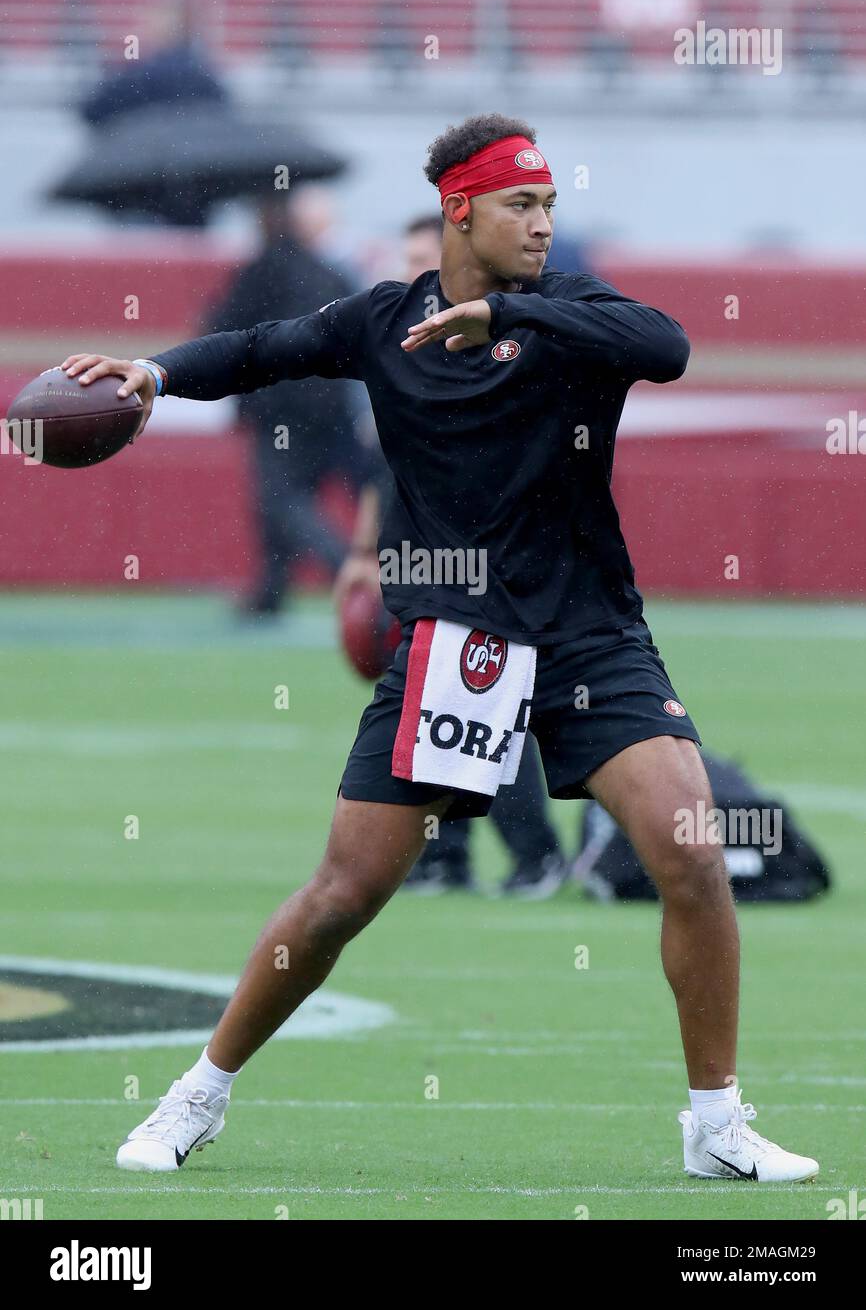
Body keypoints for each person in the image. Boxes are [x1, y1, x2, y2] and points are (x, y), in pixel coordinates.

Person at [63, 112, 817, 1183]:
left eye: (550, 203)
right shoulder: (381, 320)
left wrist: (512, 313)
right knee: (339, 898)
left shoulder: (566, 310)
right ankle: (199, 1094)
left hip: (587, 634)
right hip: (453, 643)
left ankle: (713, 1124)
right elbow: (262, 352)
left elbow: (666, 346)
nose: (544, 223)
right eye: (522, 204)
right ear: (459, 209)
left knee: (691, 854)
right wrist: (153, 372)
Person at [335, 212, 567, 898]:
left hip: (502, 558)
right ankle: (446, 856)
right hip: (428, 559)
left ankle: (538, 854)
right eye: (405, 260)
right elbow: (390, 470)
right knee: (441, 703)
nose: (413, 274)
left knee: (479, 701)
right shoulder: (400, 346)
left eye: (423, 260)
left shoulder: (505, 339)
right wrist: (363, 553)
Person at [203, 192, 365, 616]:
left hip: (280, 410)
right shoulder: (329, 273)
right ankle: (271, 592)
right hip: (332, 406)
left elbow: (221, 333)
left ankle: (343, 570)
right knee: (299, 496)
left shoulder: (259, 273)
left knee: (280, 500)